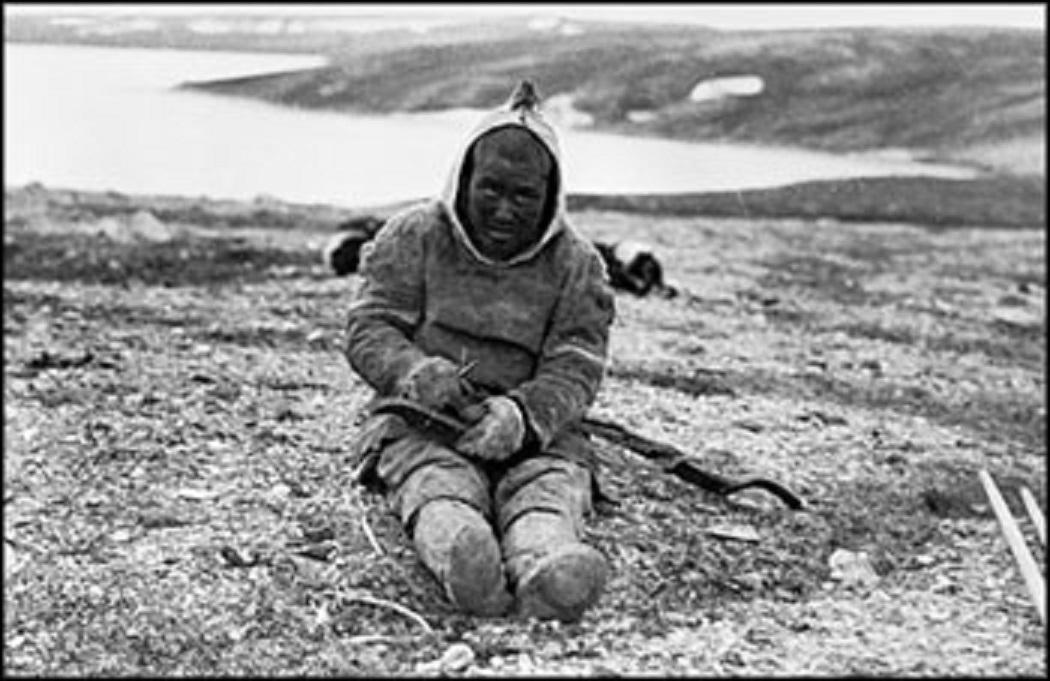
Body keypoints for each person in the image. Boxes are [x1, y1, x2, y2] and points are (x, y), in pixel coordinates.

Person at [342, 80, 616, 622]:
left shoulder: (578, 265)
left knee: (548, 488)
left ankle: (546, 568)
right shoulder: (414, 234)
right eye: (490, 188)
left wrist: (523, 414)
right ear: (463, 179)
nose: (504, 210)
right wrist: (414, 372)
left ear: (550, 196)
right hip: (426, 421)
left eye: (524, 196)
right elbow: (369, 327)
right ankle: (464, 561)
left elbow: (576, 365)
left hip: (534, 435)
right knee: (434, 482)